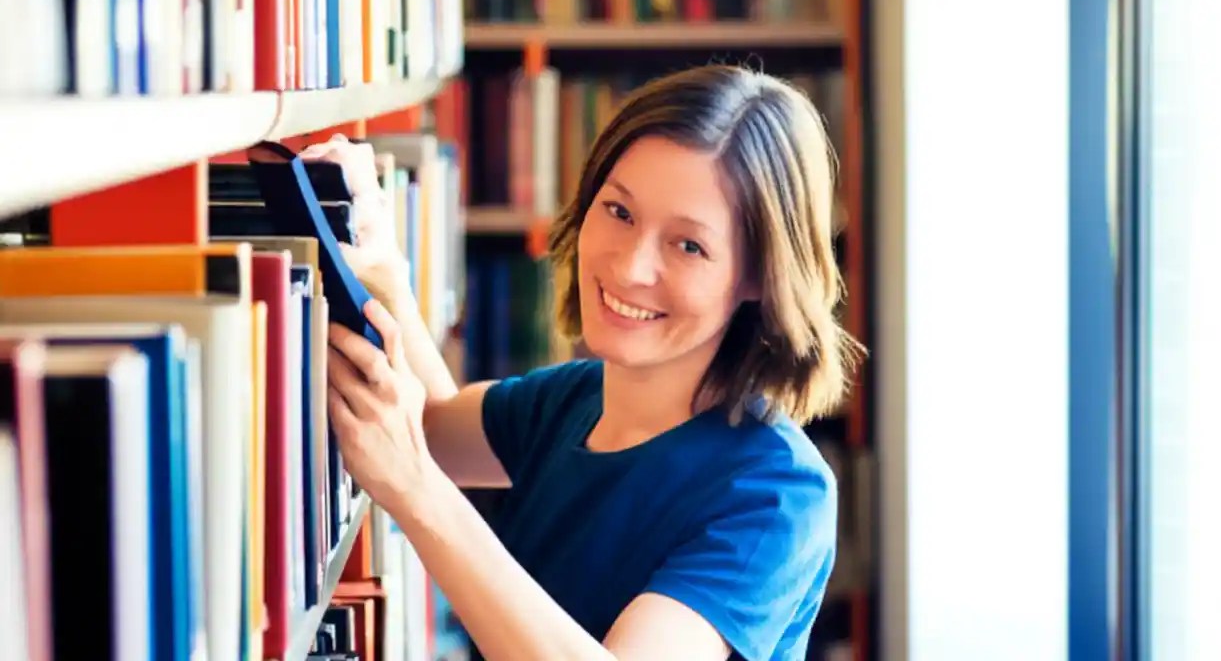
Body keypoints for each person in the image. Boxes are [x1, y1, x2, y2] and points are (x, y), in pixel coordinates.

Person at [314, 64, 862, 661]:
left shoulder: (776, 493)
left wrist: (416, 491)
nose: (629, 267)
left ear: (761, 274)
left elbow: (416, 466)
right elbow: (426, 430)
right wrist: (384, 271)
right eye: (619, 212)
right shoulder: (572, 401)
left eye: (688, 246)